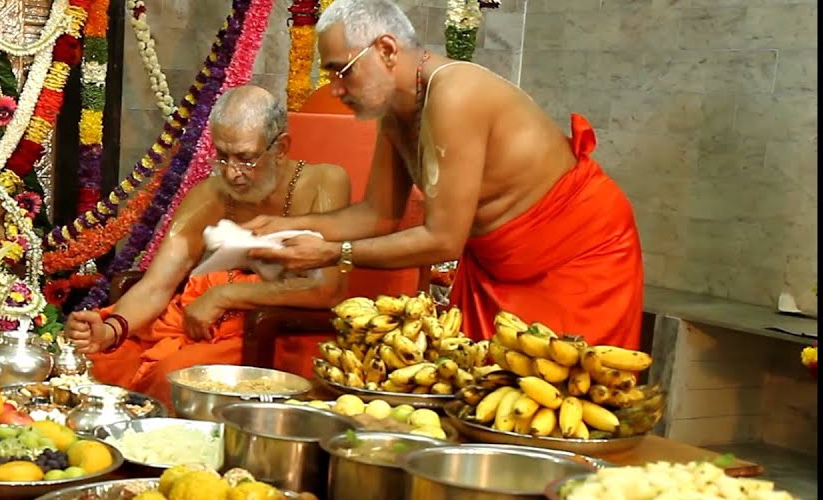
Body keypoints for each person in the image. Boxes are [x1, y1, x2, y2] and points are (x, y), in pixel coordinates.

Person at [243, 0, 644, 349]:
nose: (335, 89)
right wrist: (287, 226)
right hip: (495, 266)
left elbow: (443, 240)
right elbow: (376, 214)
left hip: (576, 257)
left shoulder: (454, 93)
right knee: (479, 394)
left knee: (556, 400)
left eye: (342, 71)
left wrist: (333, 252)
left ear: (386, 50)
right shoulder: (396, 111)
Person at [64, 85, 352, 405]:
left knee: (174, 377)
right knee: (98, 363)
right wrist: (110, 331)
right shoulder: (210, 194)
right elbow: (158, 284)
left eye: (246, 159)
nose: (232, 173)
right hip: (198, 324)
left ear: (280, 147)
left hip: (274, 331)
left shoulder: (324, 182)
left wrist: (225, 295)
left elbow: (328, 289)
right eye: (222, 156)